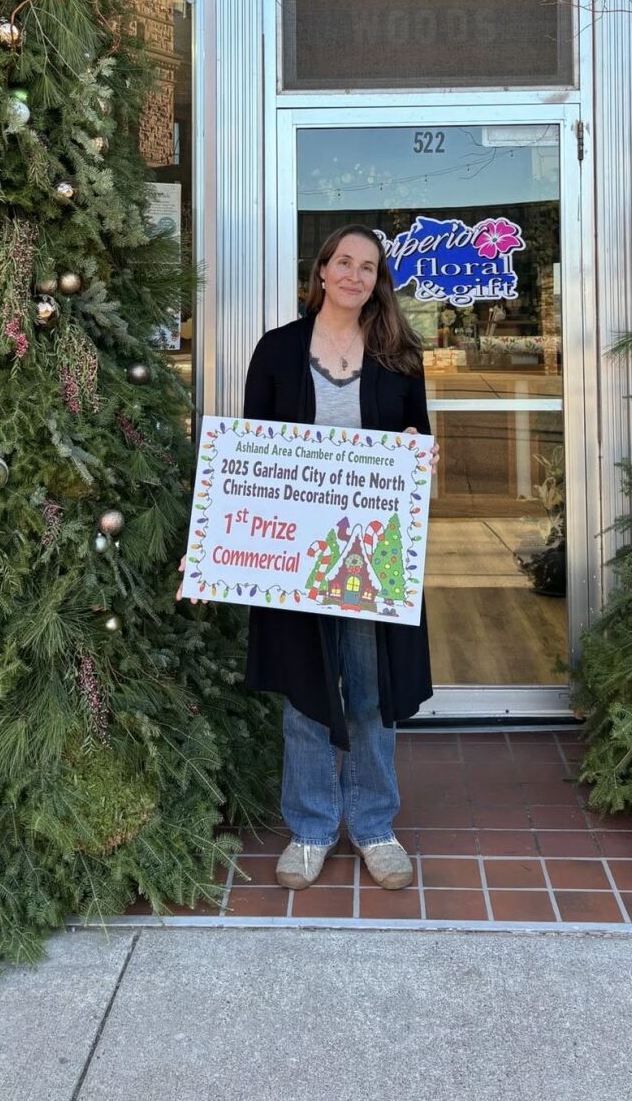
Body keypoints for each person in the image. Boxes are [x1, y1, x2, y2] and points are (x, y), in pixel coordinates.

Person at [241, 224, 436, 893]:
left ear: (375, 279)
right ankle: (311, 827)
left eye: (367, 266)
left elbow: (420, 446)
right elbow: (254, 453)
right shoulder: (277, 350)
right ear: (321, 271)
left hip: (371, 548)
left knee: (370, 685)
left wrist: (415, 449)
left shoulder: (398, 355)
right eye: (343, 262)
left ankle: (374, 824)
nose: (354, 275)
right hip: (297, 547)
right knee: (305, 691)